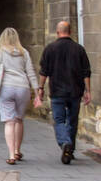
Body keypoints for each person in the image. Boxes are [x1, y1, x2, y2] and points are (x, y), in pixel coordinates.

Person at [38, 20, 92, 164]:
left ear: (57, 32)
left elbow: (44, 71)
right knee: (72, 121)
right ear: (71, 31)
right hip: (75, 90)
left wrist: (40, 89)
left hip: (57, 91)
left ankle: (65, 142)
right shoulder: (79, 49)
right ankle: (70, 149)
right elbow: (86, 72)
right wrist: (88, 91)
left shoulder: (50, 49)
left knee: (59, 120)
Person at [0, 27, 39, 164]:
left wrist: (1, 68)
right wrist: (37, 91)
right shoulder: (24, 53)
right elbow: (31, 72)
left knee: (9, 122)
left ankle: (11, 155)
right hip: (23, 88)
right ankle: (17, 151)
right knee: (19, 120)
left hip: (6, 88)